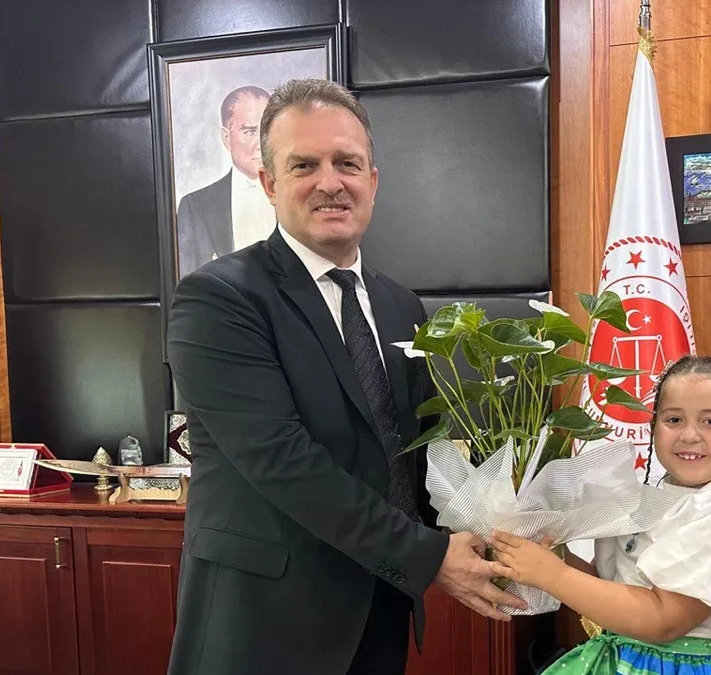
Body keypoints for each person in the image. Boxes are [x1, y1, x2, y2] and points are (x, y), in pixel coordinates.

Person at [165, 78, 526, 675]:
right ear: (270, 183)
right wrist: (431, 557)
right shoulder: (218, 299)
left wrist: (497, 531)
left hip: (379, 613)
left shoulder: (400, 306)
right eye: (304, 164)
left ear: (373, 181)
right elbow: (283, 462)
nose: (330, 182)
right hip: (264, 626)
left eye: (347, 163)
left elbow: (417, 454)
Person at [490, 355, 711, 675]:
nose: (690, 435)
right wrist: (546, 547)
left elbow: (664, 621)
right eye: (674, 420)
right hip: (618, 659)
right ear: (653, 428)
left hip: (682, 667)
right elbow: (608, 580)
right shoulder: (640, 495)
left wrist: (553, 575)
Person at [174, 85, 277, 278]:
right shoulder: (195, 207)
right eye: (250, 132)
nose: (261, 145)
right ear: (226, 138)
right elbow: (186, 289)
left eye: (267, 131)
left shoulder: (298, 195)